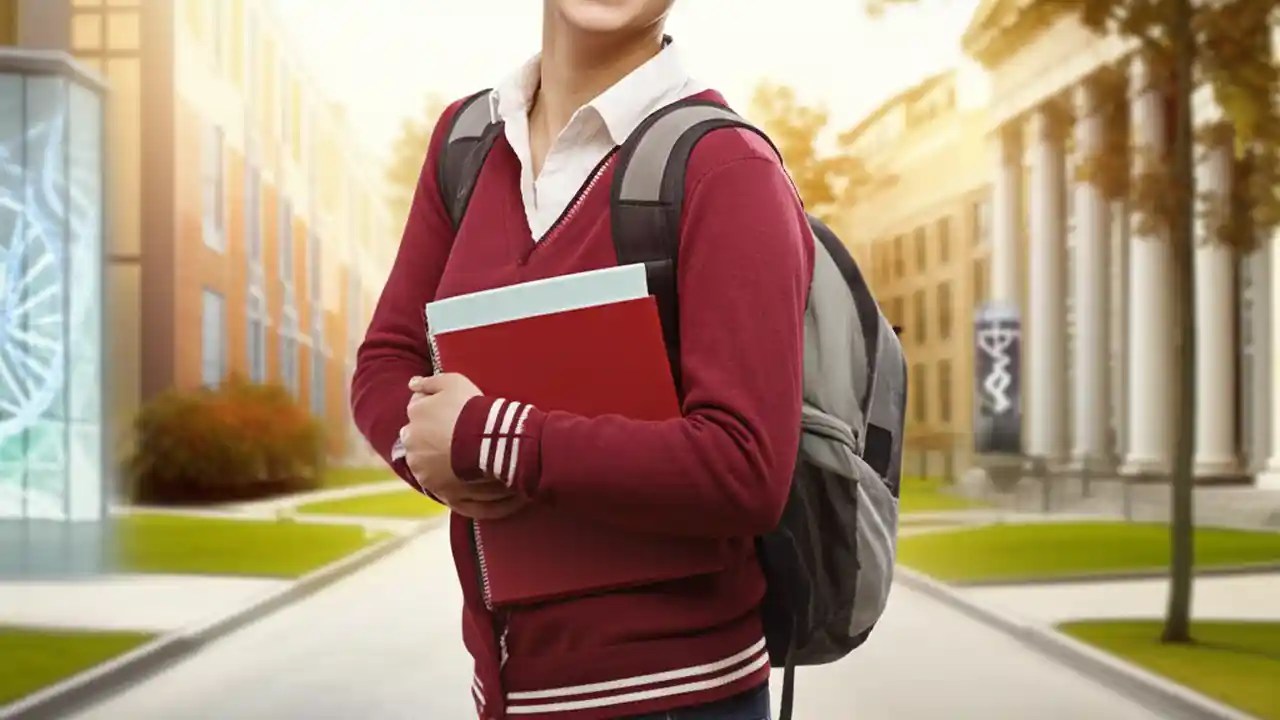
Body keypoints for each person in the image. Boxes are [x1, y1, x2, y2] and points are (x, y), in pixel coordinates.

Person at [351, 1, 813, 717]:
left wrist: (489, 437)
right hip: (510, 693)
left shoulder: (728, 168)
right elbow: (387, 358)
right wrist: (429, 452)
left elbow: (745, 467)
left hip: (681, 699)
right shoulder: (466, 143)